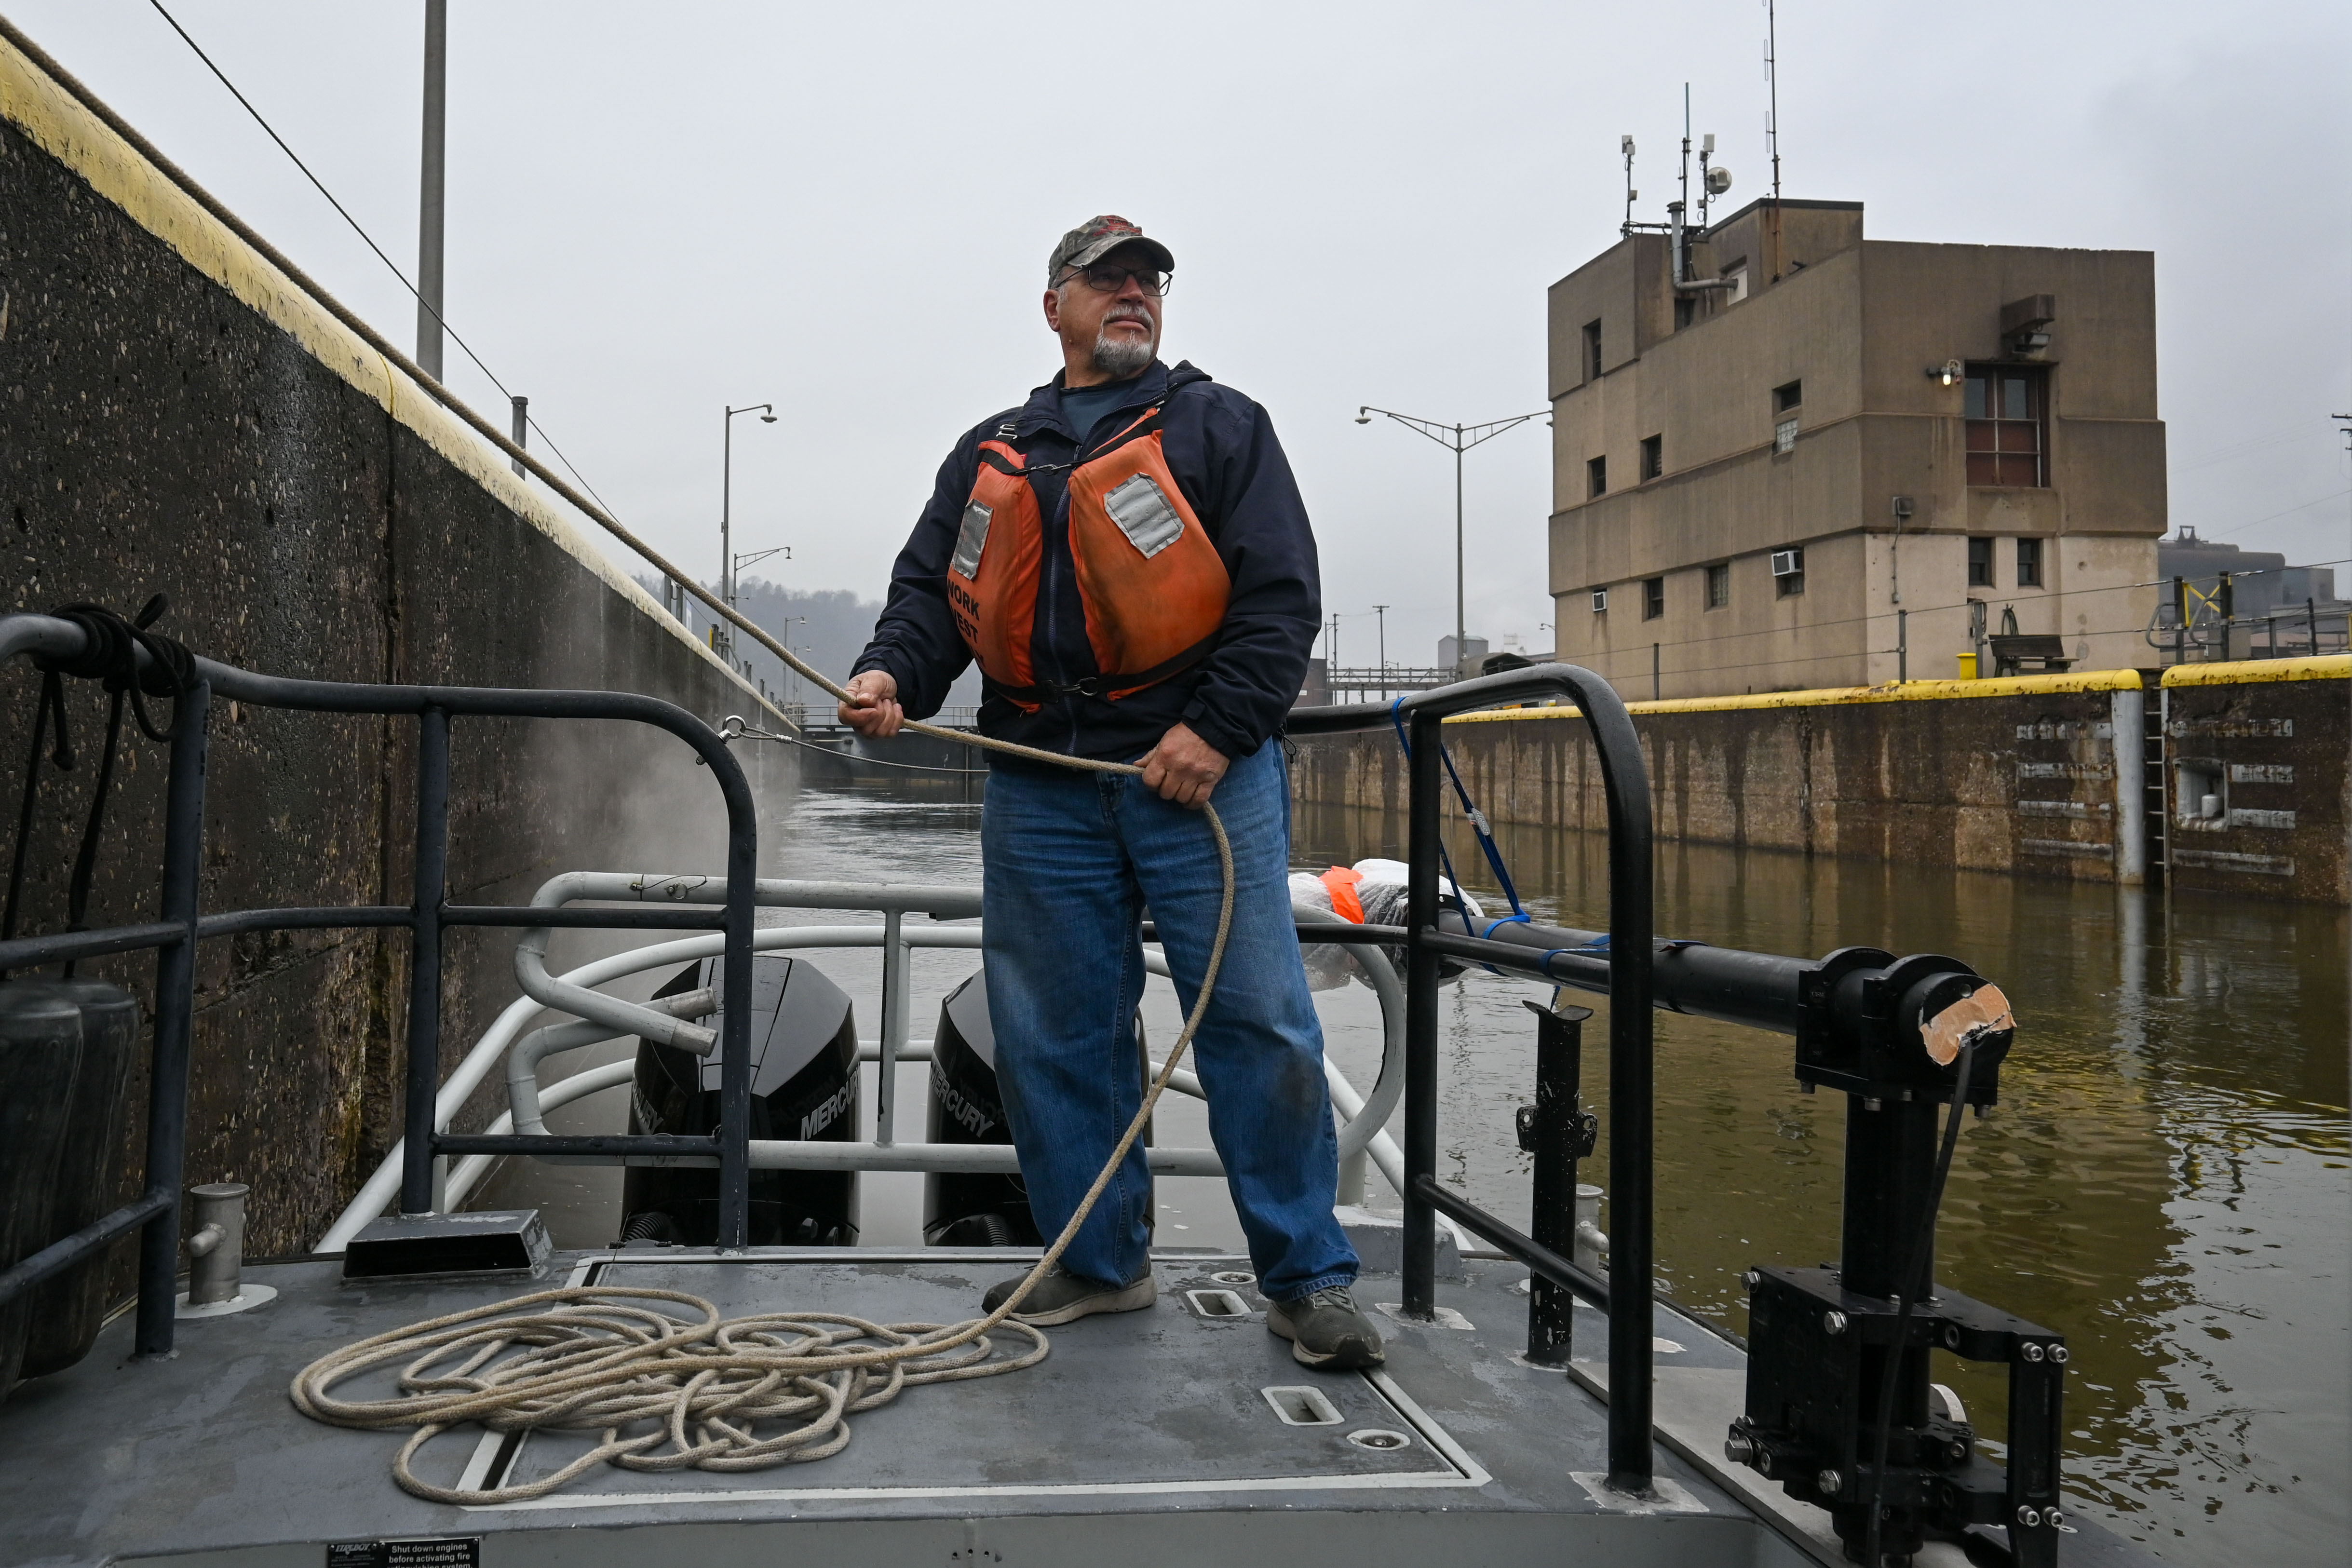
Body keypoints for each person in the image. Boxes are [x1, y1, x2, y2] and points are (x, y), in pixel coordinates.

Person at [841, 216, 1380, 1370]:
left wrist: (1214, 732)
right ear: (1056, 308)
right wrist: (891, 669)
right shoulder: (988, 450)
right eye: (1108, 281)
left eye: (1149, 282)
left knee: (1259, 1026)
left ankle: (1307, 1278)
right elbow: (934, 595)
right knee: (1056, 1036)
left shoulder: (1223, 427)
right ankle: (1098, 1264)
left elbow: (1281, 602)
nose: (1133, 295)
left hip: (1201, 783)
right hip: (1040, 782)